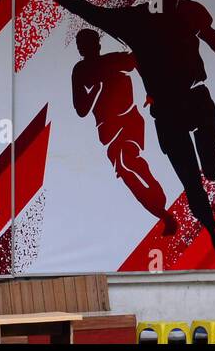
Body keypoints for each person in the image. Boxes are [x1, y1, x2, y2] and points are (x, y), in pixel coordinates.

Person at [38, 0, 215, 259]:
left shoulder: (185, 12)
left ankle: (211, 175)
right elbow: (89, 12)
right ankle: (212, 228)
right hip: (169, 109)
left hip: (193, 99)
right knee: (190, 179)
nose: (170, 0)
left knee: (207, 172)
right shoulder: (137, 19)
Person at [71, 29, 176, 235]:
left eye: (90, 44)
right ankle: (162, 212)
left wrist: (151, 90)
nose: (86, 49)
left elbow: (140, 60)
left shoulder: (114, 60)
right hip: (108, 131)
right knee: (127, 171)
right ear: (80, 50)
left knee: (128, 162)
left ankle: (162, 208)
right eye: (82, 46)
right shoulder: (80, 71)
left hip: (129, 120)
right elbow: (81, 109)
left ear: (98, 46)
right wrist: (98, 88)